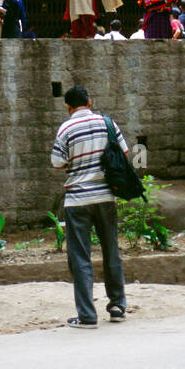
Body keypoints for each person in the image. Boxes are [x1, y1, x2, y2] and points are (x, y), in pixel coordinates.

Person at [50, 85, 128, 327]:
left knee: (80, 256)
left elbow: (57, 163)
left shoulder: (66, 128)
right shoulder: (108, 123)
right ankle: (117, 306)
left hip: (77, 201)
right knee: (111, 250)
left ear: (68, 107)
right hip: (105, 198)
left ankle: (87, 315)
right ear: (90, 102)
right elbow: (125, 155)